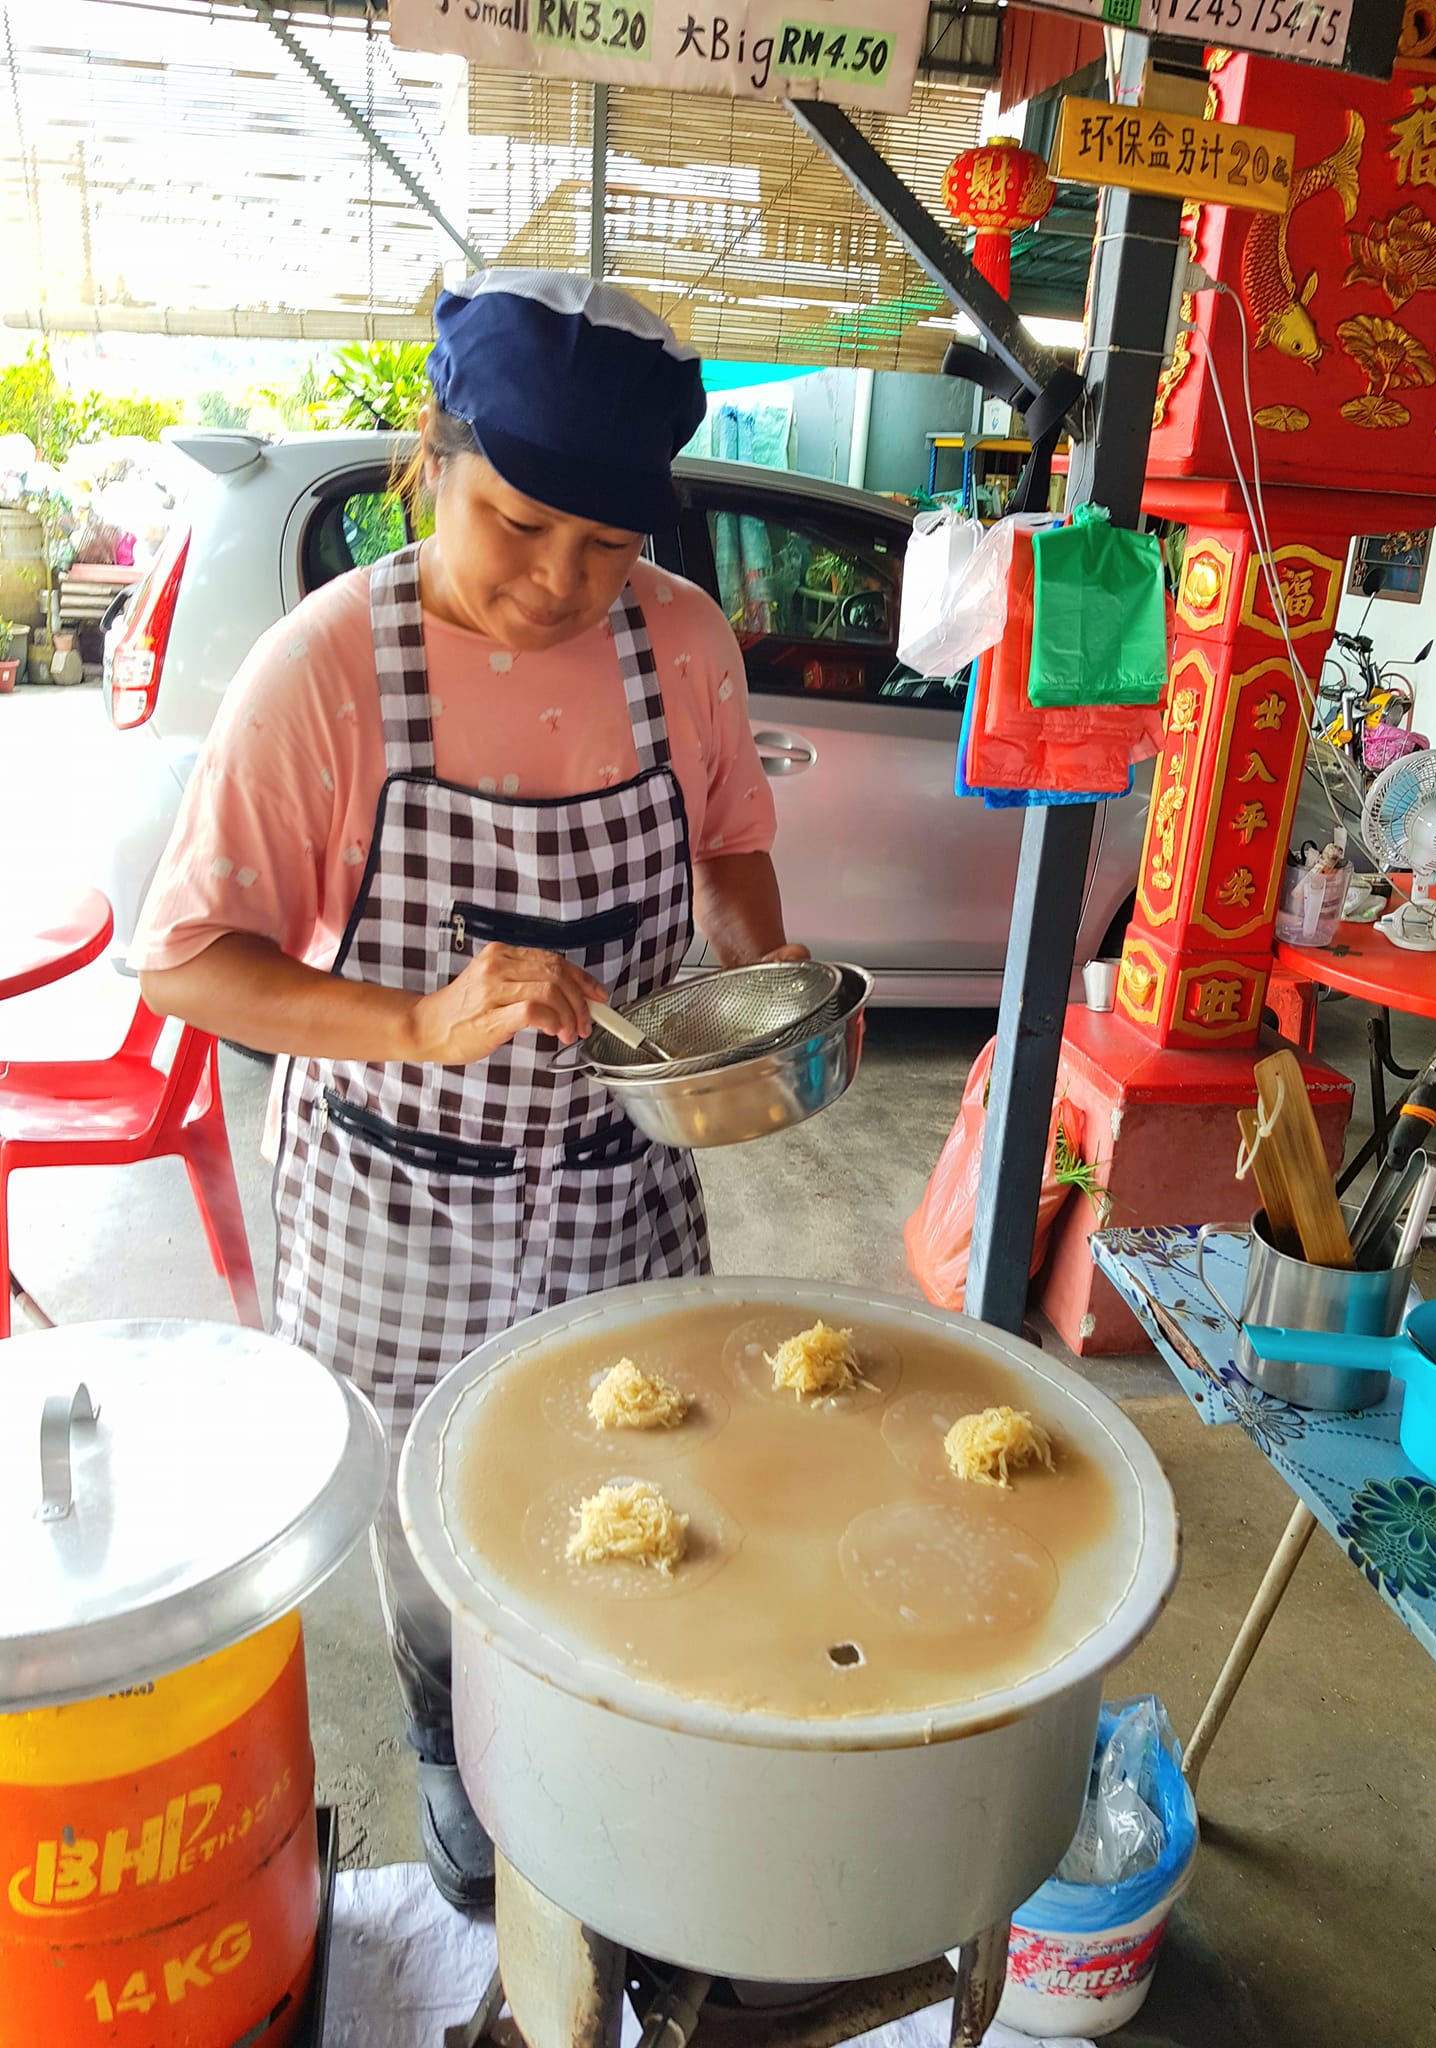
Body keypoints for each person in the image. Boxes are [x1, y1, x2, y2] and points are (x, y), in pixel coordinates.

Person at [132, 270, 802, 1909]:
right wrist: (423, 1025)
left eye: (609, 548)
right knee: (436, 1524)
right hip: (393, 1191)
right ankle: (452, 1748)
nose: (558, 585)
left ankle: (599, 1726)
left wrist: (750, 1003)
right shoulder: (329, 670)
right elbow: (186, 962)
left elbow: (730, 852)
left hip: (619, 1178)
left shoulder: (683, 647)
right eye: (516, 526)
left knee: (635, 1468)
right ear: (430, 461)